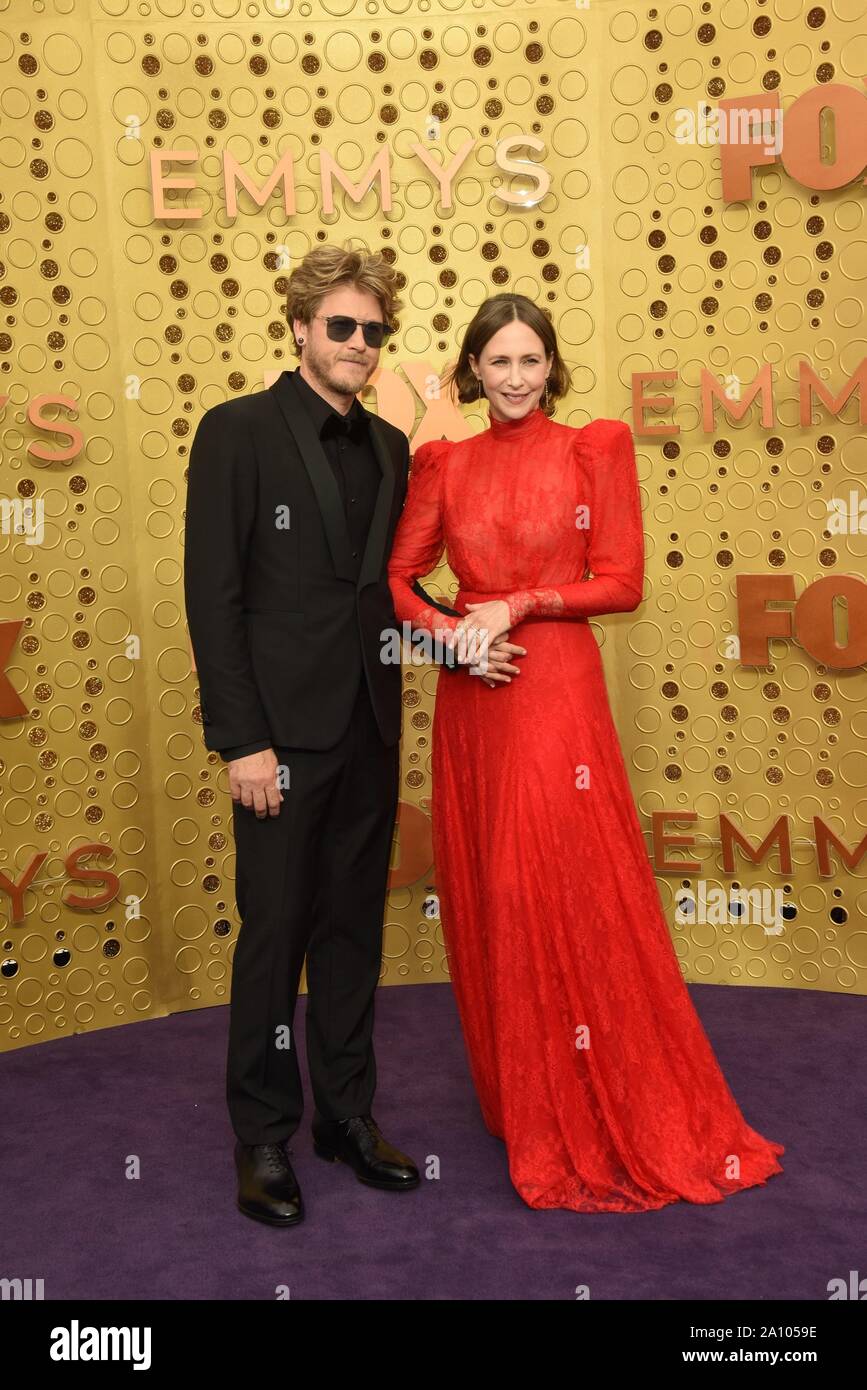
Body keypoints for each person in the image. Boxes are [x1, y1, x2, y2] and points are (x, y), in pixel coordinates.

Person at [387, 292, 785, 1213]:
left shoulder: (592, 447)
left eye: (530, 361)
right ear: (472, 372)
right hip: (474, 697)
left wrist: (517, 606)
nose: (516, 378)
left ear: (551, 367)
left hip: (553, 689)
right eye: (498, 363)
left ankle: (591, 1089)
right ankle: (523, 1093)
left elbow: (623, 582)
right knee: (495, 888)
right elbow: (399, 581)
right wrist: (451, 639)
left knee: (553, 884)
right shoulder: (443, 462)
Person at [183, 245, 520, 1227]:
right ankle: (261, 1136)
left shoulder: (387, 447)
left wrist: (468, 626)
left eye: (374, 331)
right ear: (299, 329)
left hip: (371, 729)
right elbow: (217, 597)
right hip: (278, 744)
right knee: (273, 938)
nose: (360, 346)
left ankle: (346, 1117)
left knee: (349, 939)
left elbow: (392, 588)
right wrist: (240, 740)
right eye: (341, 327)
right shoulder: (236, 433)